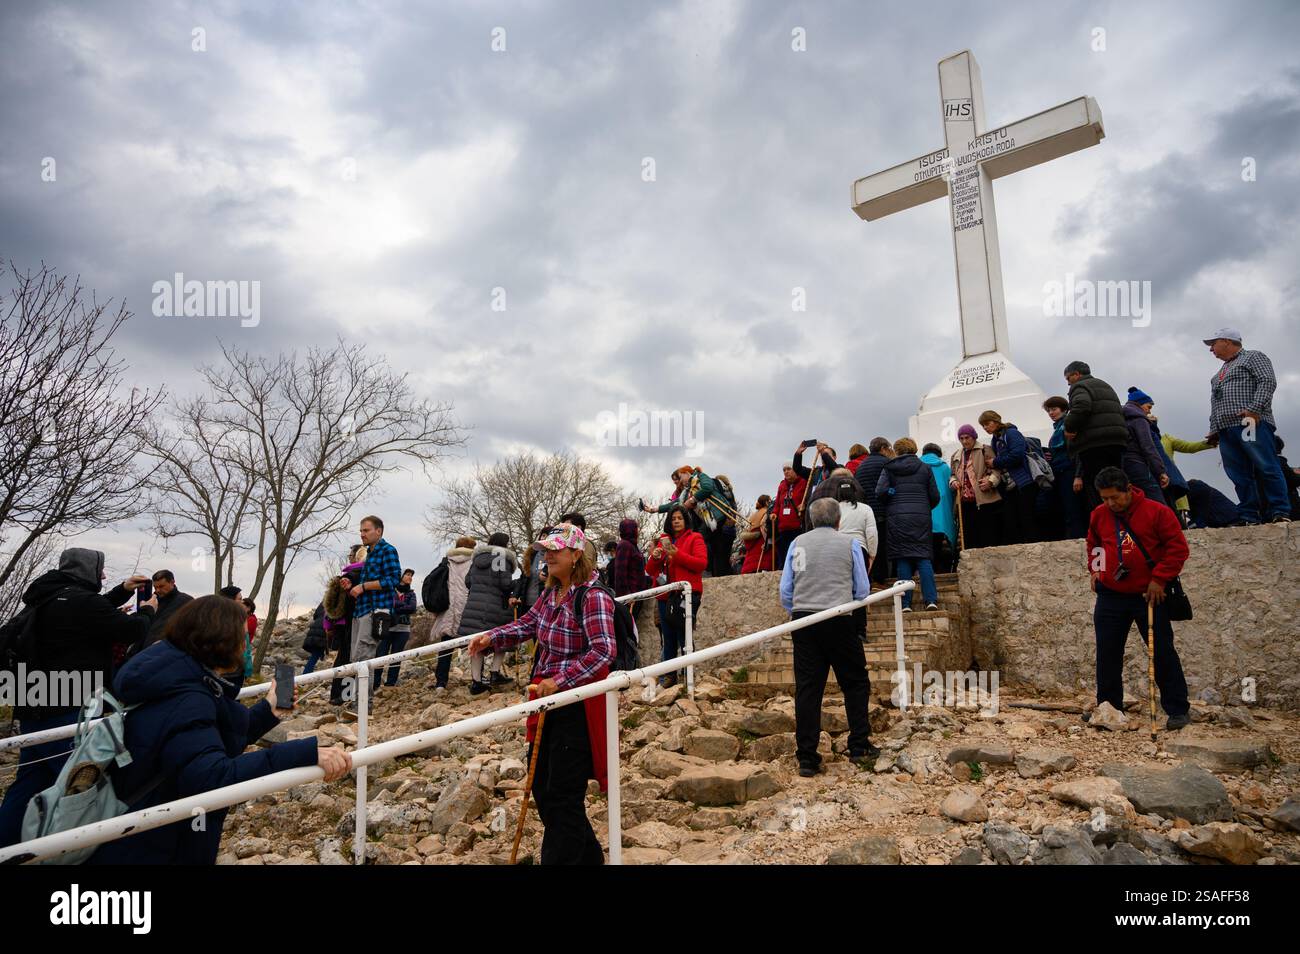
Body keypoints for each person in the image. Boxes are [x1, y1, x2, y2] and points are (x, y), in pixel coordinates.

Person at [88, 596, 351, 864]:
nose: (245, 645)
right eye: (241, 637)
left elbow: (201, 743)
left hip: (143, 832)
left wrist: (269, 709)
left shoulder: (176, 679)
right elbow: (214, 777)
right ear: (221, 639)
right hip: (155, 846)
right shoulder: (189, 698)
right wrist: (304, 753)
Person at [467, 525, 614, 865]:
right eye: (545, 550)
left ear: (576, 555)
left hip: (575, 706)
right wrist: (493, 637)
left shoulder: (592, 595)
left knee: (562, 795)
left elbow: (603, 651)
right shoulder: (553, 591)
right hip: (546, 700)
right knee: (544, 792)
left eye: (555, 550)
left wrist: (561, 681)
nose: (547, 556)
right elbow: (531, 623)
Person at [0, 548, 157, 847]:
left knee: (28, 783)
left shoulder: (43, 597)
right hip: (69, 709)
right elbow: (130, 630)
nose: (103, 576)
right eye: (100, 571)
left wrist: (121, 591)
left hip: (34, 705)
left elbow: (89, 613)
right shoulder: (81, 602)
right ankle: (80, 848)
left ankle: (8, 846)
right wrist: (148, 610)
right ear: (87, 570)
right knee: (83, 790)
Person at [779, 498, 880, 777]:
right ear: (839, 521)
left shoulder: (796, 543)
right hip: (838, 618)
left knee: (808, 688)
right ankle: (859, 744)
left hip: (804, 620)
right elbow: (862, 587)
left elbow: (786, 588)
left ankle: (808, 757)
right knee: (855, 681)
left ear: (810, 520)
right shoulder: (849, 544)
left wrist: (798, 608)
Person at [1084, 467, 1191, 730]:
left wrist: (1159, 579)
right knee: (1107, 654)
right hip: (1110, 595)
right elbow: (1094, 542)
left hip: (1149, 595)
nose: (1110, 503)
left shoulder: (1157, 511)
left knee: (1162, 652)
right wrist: (1096, 569)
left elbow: (1178, 548)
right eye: (1105, 498)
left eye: (1115, 497)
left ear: (1129, 489)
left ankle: (1177, 709)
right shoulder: (1099, 514)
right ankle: (1109, 708)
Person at [1203, 329, 1291, 523]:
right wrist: (1214, 428)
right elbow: (1215, 402)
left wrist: (1254, 409)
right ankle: (1249, 515)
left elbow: (1267, 381)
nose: (1211, 349)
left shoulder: (1253, 357)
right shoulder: (1217, 375)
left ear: (1227, 341)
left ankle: (1280, 510)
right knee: (1238, 473)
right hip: (1226, 429)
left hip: (1249, 422)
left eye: (1213, 344)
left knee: (1265, 465)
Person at [342, 516, 402, 707]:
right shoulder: (369, 553)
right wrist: (353, 585)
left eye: (366, 530)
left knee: (363, 657)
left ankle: (362, 705)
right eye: (361, 531)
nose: (362, 534)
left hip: (375, 611)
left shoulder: (388, 551)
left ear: (379, 531)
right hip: (360, 610)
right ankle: (355, 702)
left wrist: (364, 586)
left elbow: (393, 580)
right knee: (355, 658)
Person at [644, 507, 707, 687]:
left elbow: (701, 564)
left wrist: (676, 554)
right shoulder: (664, 541)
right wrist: (655, 557)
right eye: (673, 518)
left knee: (684, 635)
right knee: (668, 637)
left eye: (680, 518)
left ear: (686, 520)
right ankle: (670, 677)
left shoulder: (695, 538)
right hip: (665, 596)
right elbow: (649, 570)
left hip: (686, 594)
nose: (676, 521)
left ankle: (688, 675)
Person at [875, 438, 940, 611]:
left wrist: (891, 496)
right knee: (923, 558)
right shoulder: (925, 468)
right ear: (914, 449)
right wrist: (924, 507)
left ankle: (905, 604)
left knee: (903, 559)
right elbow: (935, 496)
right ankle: (931, 600)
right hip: (921, 517)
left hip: (897, 517)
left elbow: (879, 492)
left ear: (897, 450)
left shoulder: (889, 469)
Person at [1062, 361, 1129, 512]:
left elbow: (1082, 406)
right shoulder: (1104, 385)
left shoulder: (1079, 386)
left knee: (1099, 485)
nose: (1068, 383)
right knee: (1117, 482)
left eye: (1068, 378)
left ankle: (1107, 521)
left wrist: (1069, 427)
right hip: (1117, 440)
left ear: (1077, 374)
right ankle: (1125, 517)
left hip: (1094, 443)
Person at [457, 532, 518, 694]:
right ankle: (494, 673)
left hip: (473, 606)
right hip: (495, 607)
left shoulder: (477, 559)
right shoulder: (500, 558)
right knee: (503, 638)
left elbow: (468, 581)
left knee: (476, 644)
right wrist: (519, 583)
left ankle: (476, 682)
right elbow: (505, 584)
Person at [828, 471, 876, 640]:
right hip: (859, 548)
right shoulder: (865, 509)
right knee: (860, 588)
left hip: (836, 549)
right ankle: (860, 630)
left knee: (839, 588)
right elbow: (871, 533)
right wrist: (872, 554)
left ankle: (841, 629)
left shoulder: (833, 509)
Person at [426, 537, 476, 690]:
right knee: (474, 647)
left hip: (447, 610)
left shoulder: (446, 561)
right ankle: (476, 679)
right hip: (468, 611)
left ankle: (441, 682)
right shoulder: (475, 563)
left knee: (446, 648)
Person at [980, 410, 1037, 545]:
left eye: (987, 423)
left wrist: (995, 462)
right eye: (983, 425)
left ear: (996, 421)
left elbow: (1017, 455)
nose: (986, 428)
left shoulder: (1011, 433)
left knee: (1027, 516)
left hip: (1024, 481)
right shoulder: (996, 439)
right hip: (1009, 484)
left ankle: (1033, 546)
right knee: (1013, 518)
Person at [948, 424, 1002, 551]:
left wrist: (990, 481)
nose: (964, 441)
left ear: (973, 437)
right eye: (961, 438)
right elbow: (952, 475)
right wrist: (953, 482)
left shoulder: (985, 449)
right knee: (969, 537)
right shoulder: (956, 455)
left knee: (988, 535)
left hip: (985, 500)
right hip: (965, 502)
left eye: (967, 437)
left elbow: (997, 471)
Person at [1039, 397, 1087, 540]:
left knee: (1073, 509)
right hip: (1059, 472)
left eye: (1054, 409)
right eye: (1049, 410)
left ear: (1063, 409)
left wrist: (1078, 475)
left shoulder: (1067, 425)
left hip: (1069, 471)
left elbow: (1077, 451)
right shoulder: (1057, 428)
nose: (1051, 413)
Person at [324, 544, 365, 706]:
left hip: (343, 623)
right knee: (348, 658)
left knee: (344, 658)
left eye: (351, 555)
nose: (349, 557)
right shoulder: (354, 575)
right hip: (349, 623)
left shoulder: (349, 574)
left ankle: (339, 694)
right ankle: (343, 695)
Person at [1120, 387, 1170, 507]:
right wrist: (1161, 471)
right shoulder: (1139, 419)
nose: (1149, 412)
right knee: (1157, 502)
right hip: (1138, 464)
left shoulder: (1121, 417)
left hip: (1123, 465)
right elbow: (1148, 446)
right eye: (1148, 407)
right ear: (1139, 404)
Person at [855, 437, 895, 586]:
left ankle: (871, 577)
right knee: (883, 544)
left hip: (866, 511)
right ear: (883, 448)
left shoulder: (861, 466)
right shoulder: (886, 463)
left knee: (870, 545)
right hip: (882, 510)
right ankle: (882, 578)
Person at [372, 568, 416, 690]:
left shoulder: (411, 593)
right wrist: (401, 605)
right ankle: (375, 683)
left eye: (411, 576)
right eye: (407, 575)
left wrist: (397, 606)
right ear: (401, 576)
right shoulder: (390, 590)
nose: (410, 577)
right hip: (387, 628)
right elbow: (390, 604)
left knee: (396, 657)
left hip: (403, 630)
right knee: (380, 656)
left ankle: (390, 683)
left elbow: (412, 608)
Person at [921, 443, 956, 572]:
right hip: (941, 515)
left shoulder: (918, 466)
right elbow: (951, 491)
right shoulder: (945, 468)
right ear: (939, 453)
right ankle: (936, 570)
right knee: (937, 545)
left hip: (922, 513)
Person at [141, 570, 192, 649]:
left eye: (161, 586)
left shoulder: (186, 602)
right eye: (155, 587)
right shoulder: (152, 602)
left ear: (172, 582)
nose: (157, 590)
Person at [773, 461, 809, 570]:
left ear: (795, 470)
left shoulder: (804, 482)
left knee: (797, 557)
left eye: (789, 469)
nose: (786, 472)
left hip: (797, 526)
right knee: (784, 557)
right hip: (783, 527)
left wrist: (805, 505)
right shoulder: (782, 485)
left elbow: (808, 498)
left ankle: (799, 576)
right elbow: (778, 503)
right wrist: (774, 512)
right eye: (784, 470)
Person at [611, 518, 651, 597]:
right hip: (630, 595)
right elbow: (620, 572)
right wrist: (626, 594)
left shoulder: (632, 545)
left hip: (636, 593)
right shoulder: (625, 545)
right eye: (636, 528)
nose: (637, 531)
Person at [740, 495, 776, 574]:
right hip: (762, 541)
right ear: (766, 502)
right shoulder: (767, 512)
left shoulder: (753, 515)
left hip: (751, 545)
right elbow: (764, 527)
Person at [302, 603, 328, 674]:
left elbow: (315, 615)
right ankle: (305, 676)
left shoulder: (324, 602)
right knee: (315, 655)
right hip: (323, 629)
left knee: (315, 654)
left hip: (315, 627)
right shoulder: (336, 599)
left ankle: (307, 675)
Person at [240, 596, 258, 680]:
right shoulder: (246, 618)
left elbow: (243, 633)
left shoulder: (251, 619)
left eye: (242, 604)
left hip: (244, 647)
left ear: (248, 608)